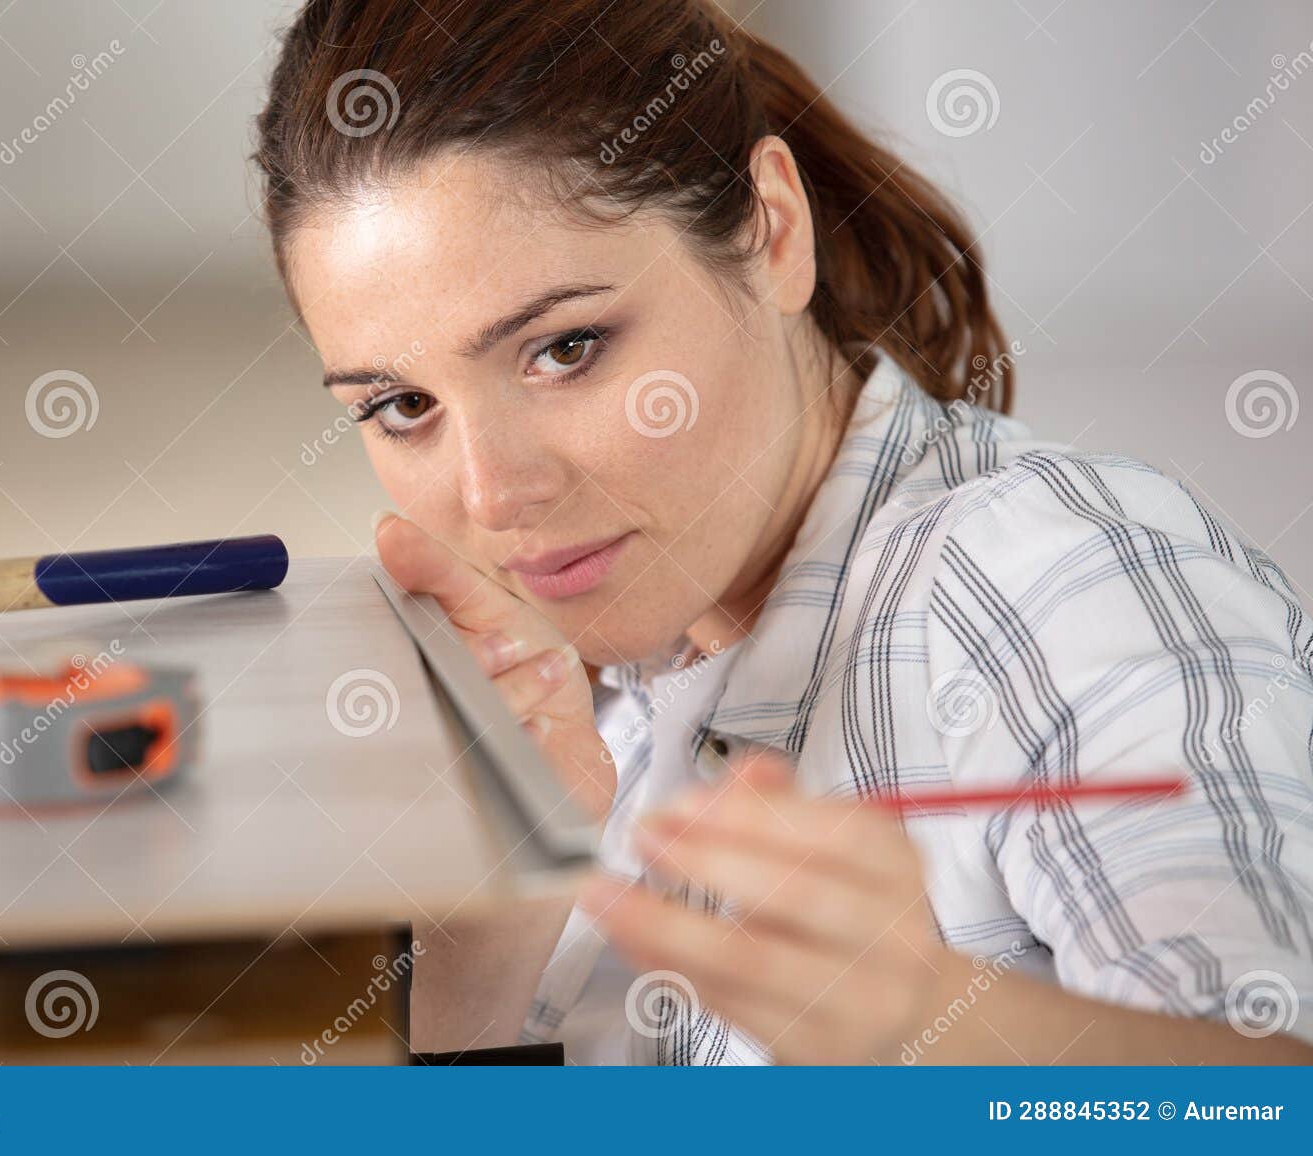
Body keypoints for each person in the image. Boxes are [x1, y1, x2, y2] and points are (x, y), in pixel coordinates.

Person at [251, 0, 1313, 1063]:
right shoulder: (581, 703)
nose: (491, 496)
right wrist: (488, 926)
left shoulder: (1054, 584)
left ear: (771, 231)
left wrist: (930, 1030)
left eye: (566, 347)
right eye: (401, 406)